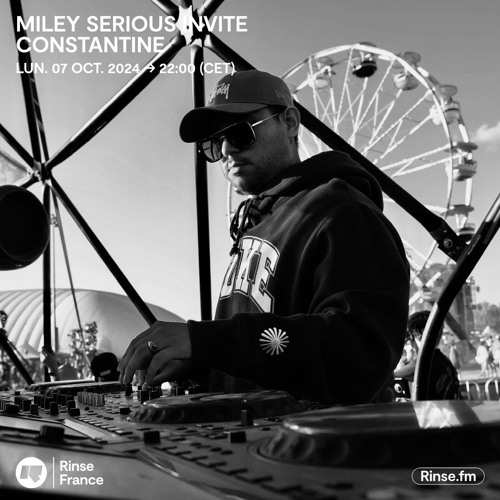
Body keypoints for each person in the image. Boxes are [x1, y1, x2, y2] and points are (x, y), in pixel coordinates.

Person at [119, 69, 410, 404]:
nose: (226, 150)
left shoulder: (343, 211)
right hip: (246, 434)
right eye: (213, 143)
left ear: (290, 122)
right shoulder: (253, 228)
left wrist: (205, 341)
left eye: (240, 133)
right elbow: (254, 360)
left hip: (316, 437)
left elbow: (356, 354)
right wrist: (197, 363)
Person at [394, 310, 461, 399]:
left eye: (410, 336)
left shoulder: (419, 365)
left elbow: (390, 379)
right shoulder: (445, 362)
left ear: (418, 334)